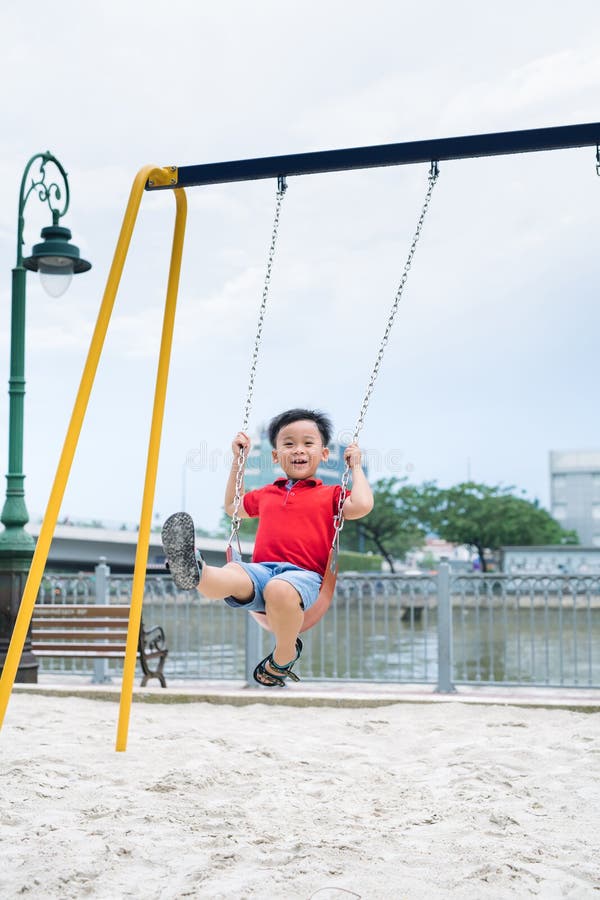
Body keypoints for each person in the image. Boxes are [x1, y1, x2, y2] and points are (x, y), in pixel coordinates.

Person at [161, 408, 374, 687]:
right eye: (289, 443)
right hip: (261, 572)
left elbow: (362, 505)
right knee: (232, 572)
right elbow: (233, 506)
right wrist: (238, 460)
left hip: (304, 577)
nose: (298, 449)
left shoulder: (331, 494)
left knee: (279, 589)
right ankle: (195, 569)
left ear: (324, 454)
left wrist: (355, 466)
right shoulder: (267, 493)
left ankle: (285, 654)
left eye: (308, 443)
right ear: (275, 455)